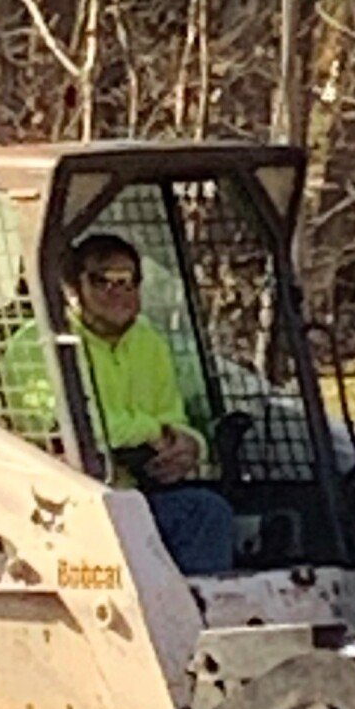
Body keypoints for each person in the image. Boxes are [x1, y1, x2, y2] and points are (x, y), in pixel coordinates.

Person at [59, 232, 236, 574]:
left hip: (135, 493)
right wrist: (151, 431)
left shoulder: (148, 342)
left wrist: (187, 446)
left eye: (127, 281)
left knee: (207, 510)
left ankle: (202, 616)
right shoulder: (45, 345)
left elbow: (171, 415)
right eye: (102, 281)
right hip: (69, 502)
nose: (118, 292)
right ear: (72, 289)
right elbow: (70, 425)